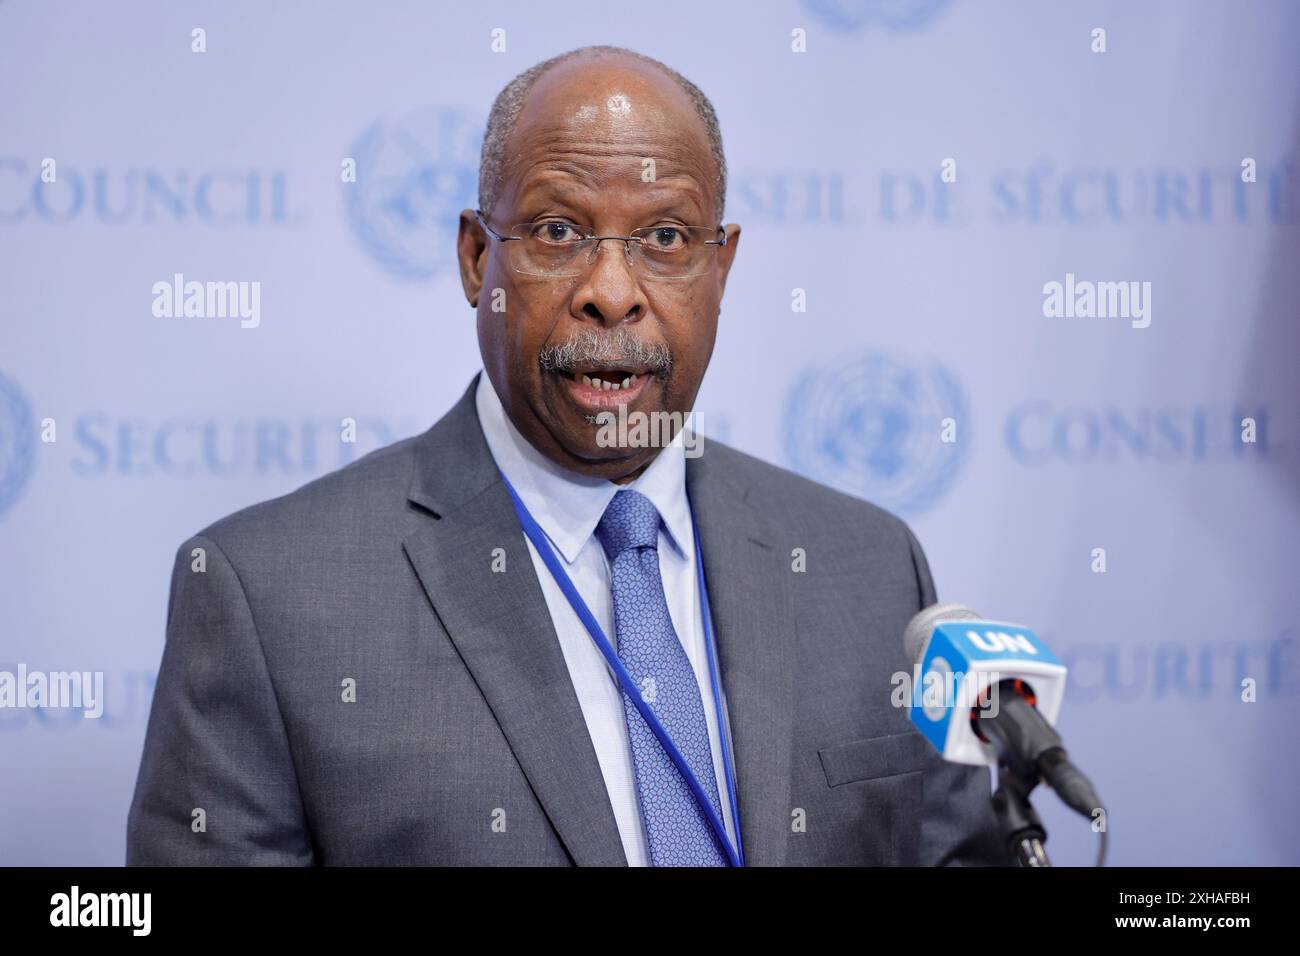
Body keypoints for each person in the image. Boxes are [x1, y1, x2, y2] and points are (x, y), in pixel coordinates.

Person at [127, 45, 1009, 866]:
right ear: (478, 259)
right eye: (557, 231)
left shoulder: (868, 566)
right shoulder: (268, 596)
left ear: (722, 267)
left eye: (665, 238)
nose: (612, 293)